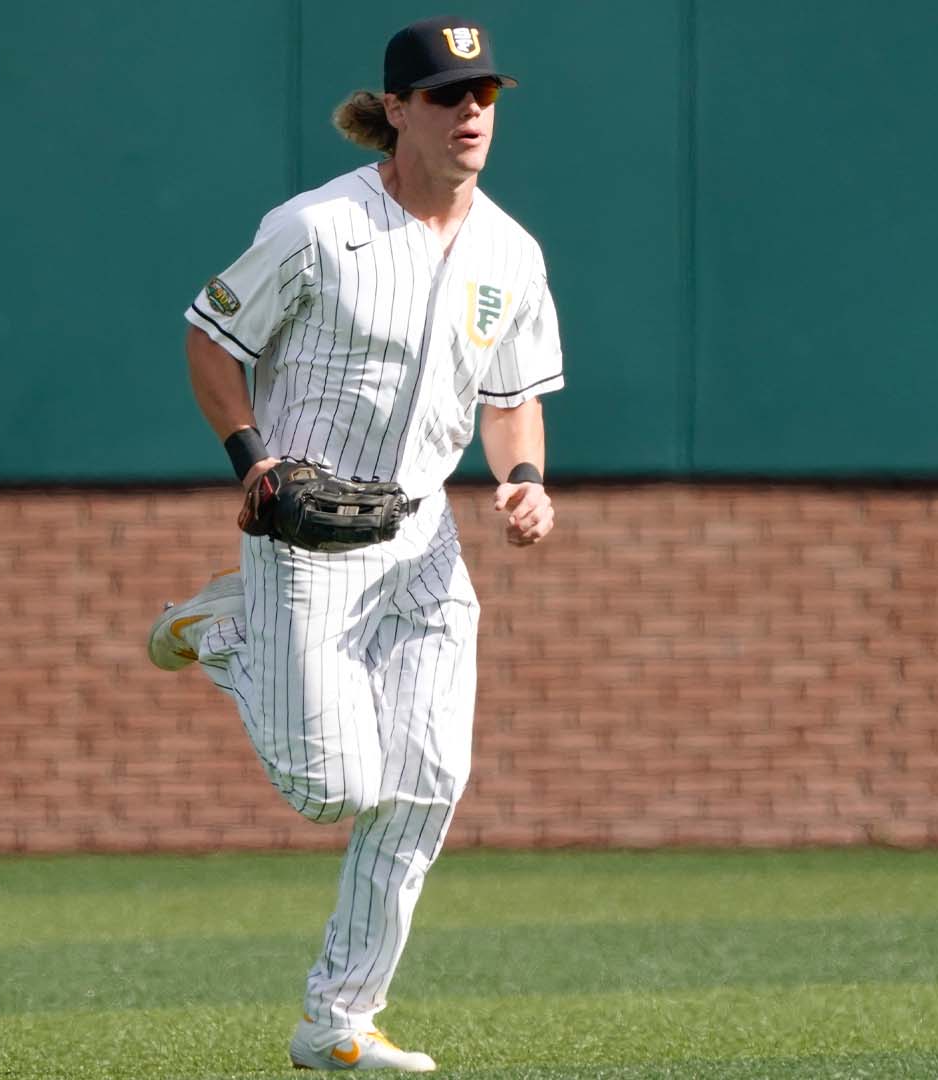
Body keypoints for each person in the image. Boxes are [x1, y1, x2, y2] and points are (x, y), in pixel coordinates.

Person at [147, 16, 563, 1073]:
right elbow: (210, 334)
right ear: (394, 111)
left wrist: (522, 481)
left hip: (424, 539)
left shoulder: (511, 251)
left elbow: (510, 400)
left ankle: (337, 1022)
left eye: (486, 96)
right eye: (448, 96)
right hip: (304, 527)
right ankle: (224, 628)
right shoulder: (317, 226)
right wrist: (250, 457)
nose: (473, 113)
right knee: (332, 788)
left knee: (427, 784)